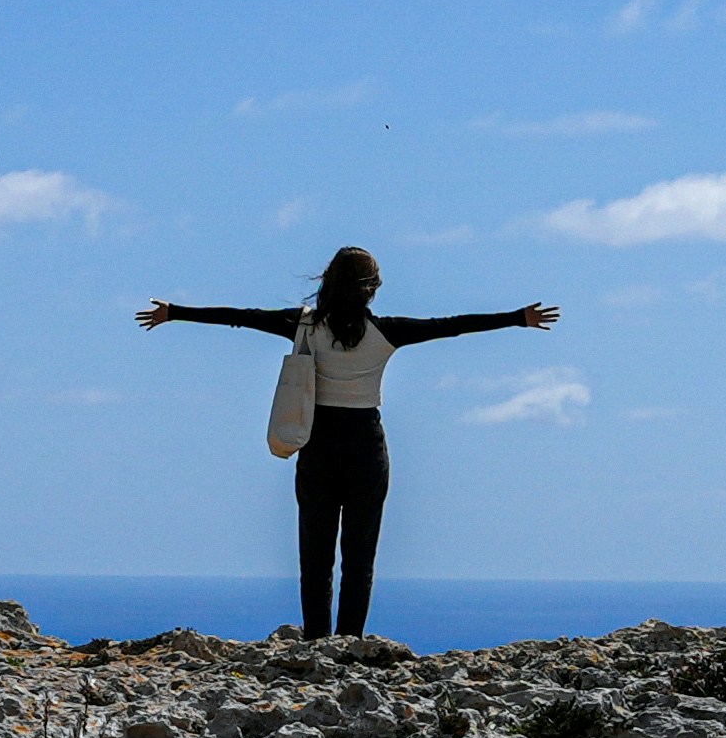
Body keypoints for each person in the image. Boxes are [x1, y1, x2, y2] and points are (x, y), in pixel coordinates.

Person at [129, 245, 559, 641]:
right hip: (366, 451)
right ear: (371, 290)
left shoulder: (301, 325)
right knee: (360, 560)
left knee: (315, 560)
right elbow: (452, 327)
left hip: (318, 448)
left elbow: (239, 316)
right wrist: (517, 318)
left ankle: (317, 643)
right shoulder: (388, 332)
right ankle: (350, 644)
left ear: (327, 281)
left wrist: (175, 312)